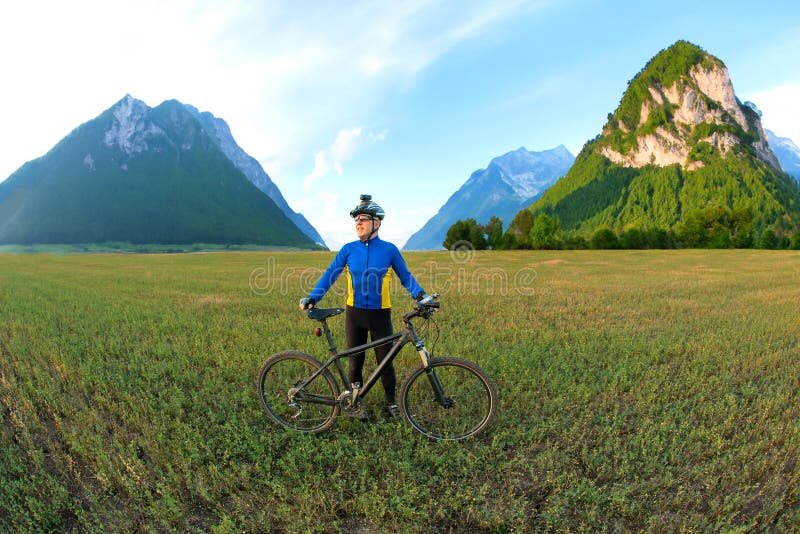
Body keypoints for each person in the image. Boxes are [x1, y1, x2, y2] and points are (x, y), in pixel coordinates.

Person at [299, 194, 428, 420]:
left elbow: (406, 277)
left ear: (377, 223)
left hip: (380, 315)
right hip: (354, 314)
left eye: (364, 219)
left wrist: (421, 296)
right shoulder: (348, 250)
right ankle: (356, 402)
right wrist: (313, 297)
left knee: (385, 362)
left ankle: (390, 403)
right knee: (355, 362)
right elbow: (330, 274)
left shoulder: (389, 250)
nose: (358, 223)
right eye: (356, 219)